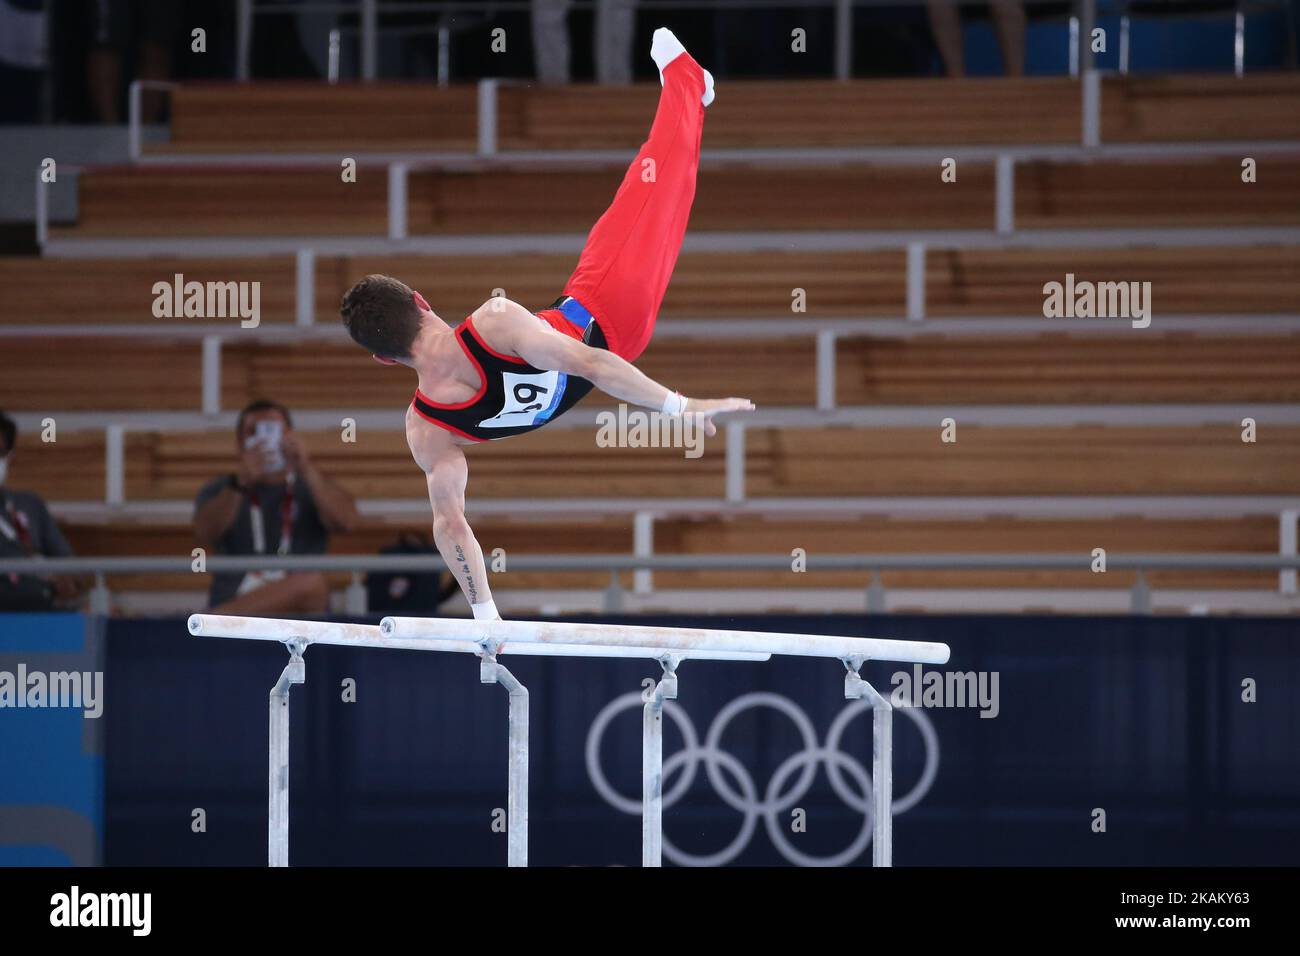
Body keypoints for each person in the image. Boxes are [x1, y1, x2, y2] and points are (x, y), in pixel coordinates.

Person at [340, 29, 750, 622]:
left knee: (671, 193)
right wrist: (676, 406)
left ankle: (691, 92)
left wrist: (485, 615)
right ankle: (686, 78)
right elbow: (588, 362)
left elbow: (450, 523)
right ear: (421, 300)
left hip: (616, 334)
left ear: (382, 358)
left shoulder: (425, 429)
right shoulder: (493, 322)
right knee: (656, 184)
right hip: (607, 305)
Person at [193, 400, 359, 615]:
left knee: (309, 583)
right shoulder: (222, 488)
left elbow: (347, 523)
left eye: (274, 430)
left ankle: (212, 622)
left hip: (301, 607)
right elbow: (205, 534)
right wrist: (240, 484)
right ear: (239, 444)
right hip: (236, 594)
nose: (265, 439)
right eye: (254, 432)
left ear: (290, 436)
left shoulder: (312, 485)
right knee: (308, 583)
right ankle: (219, 620)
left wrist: (306, 467)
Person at [0, 411, 89, 611]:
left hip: (43, 617)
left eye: (0, 452)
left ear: (10, 457)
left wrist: (69, 582)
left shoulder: (31, 505)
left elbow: (70, 567)